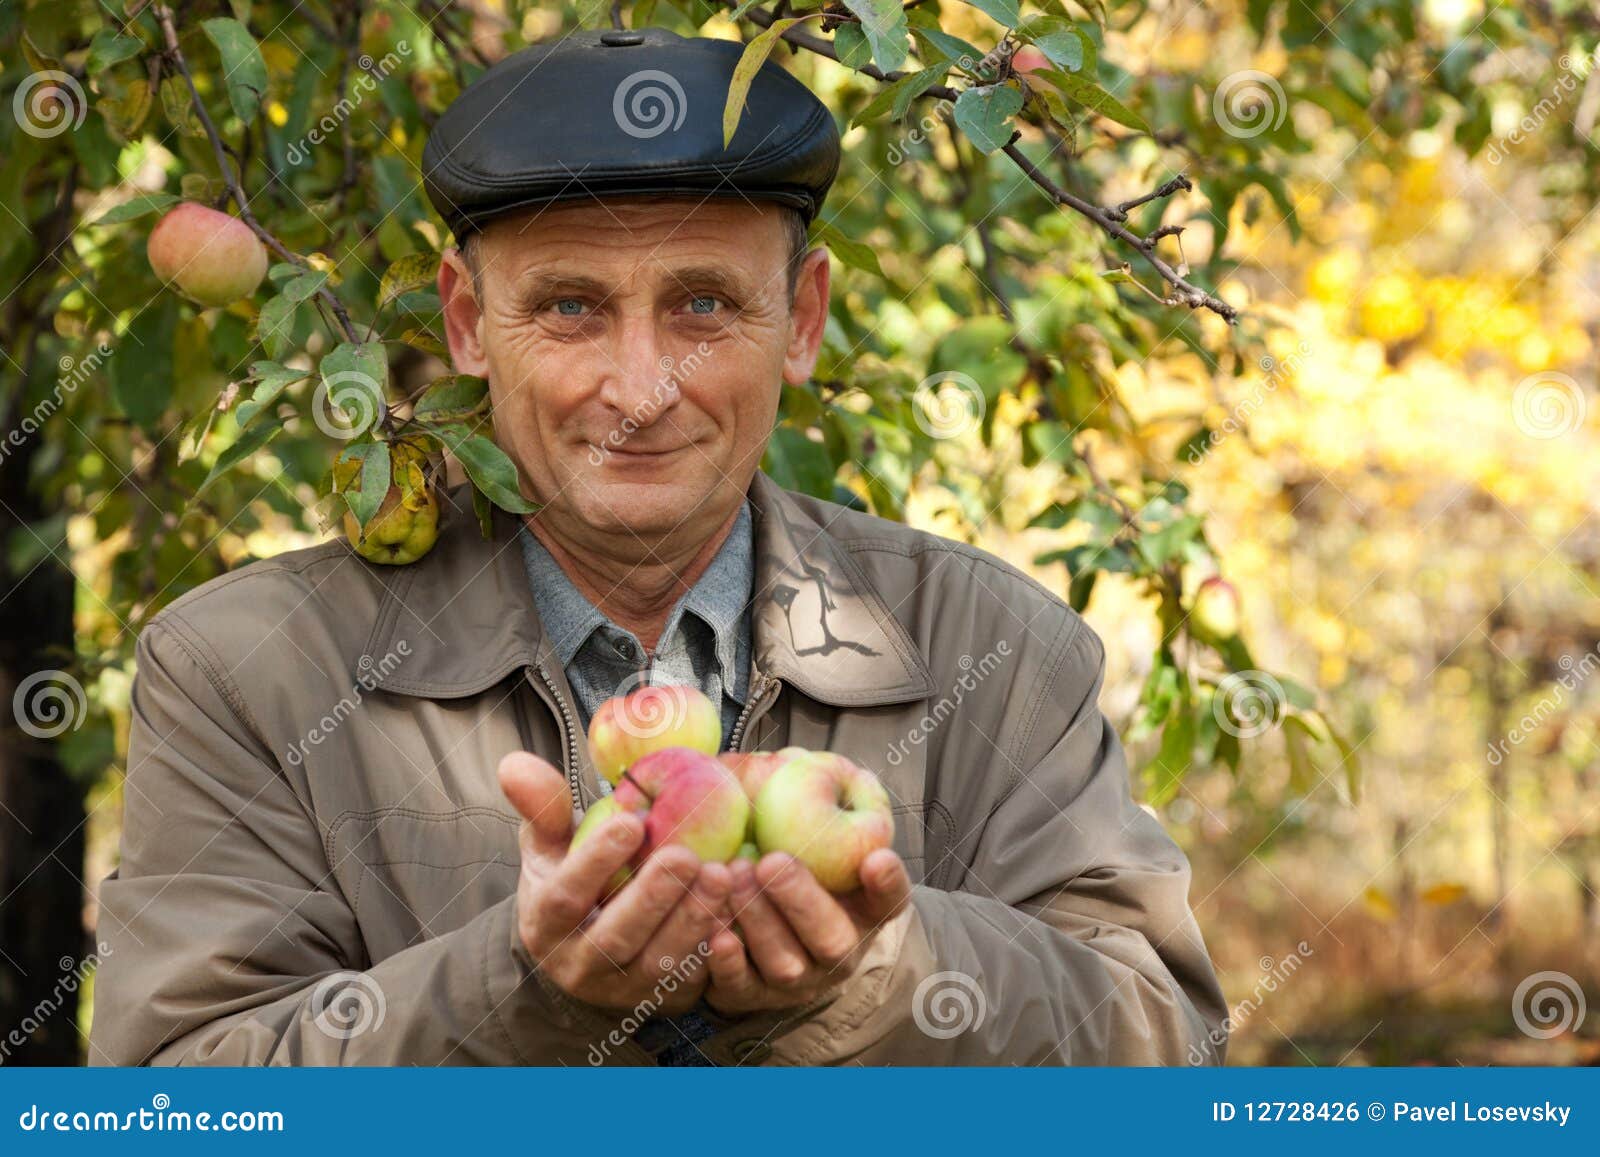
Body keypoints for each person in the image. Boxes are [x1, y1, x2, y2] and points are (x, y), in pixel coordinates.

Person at [91, 27, 1226, 1066]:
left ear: (804, 318)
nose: (639, 391)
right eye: (572, 308)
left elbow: (1163, 1046)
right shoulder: (245, 669)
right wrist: (517, 989)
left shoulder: (999, 648)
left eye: (701, 307)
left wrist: (878, 975)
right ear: (467, 322)